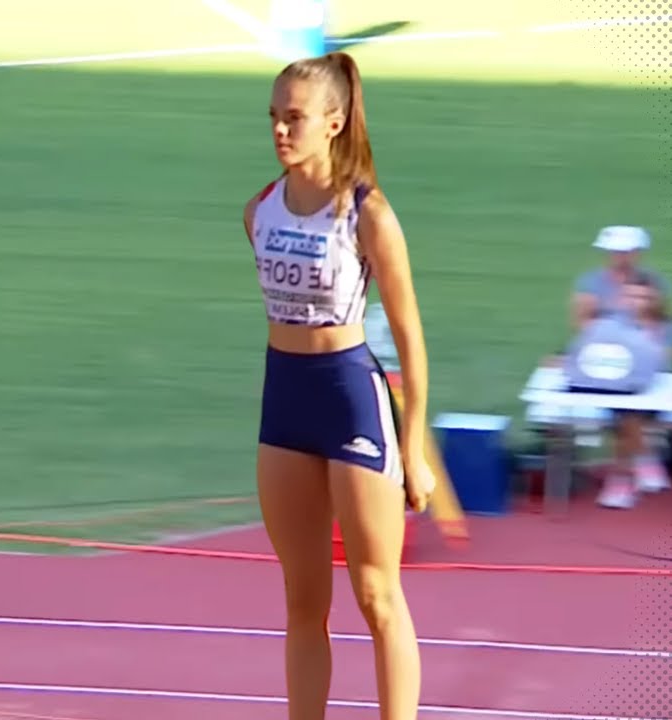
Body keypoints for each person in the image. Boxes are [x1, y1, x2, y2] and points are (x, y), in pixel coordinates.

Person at [244, 50, 435, 720]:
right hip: (284, 404)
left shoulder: (368, 213)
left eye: (293, 117)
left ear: (333, 121)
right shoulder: (259, 211)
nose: (279, 130)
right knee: (302, 602)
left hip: (350, 397)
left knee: (377, 594)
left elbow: (411, 340)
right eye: (273, 117)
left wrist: (412, 449)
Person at [590, 271, 672, 509]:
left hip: (654, 395)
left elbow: (658, 360)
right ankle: (644, 460)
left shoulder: (664, 326)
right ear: (622, 297)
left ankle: (619, 482)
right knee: (625, 412)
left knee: (627, 417)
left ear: (653, 299)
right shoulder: (609, 324)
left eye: (643, 296)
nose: (636, 301)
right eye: (631, 295)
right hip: (616, 392)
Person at [571, 225, 670, 331]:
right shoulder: (590, 282)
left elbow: (659, 321)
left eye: (626, 252)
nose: (621, 257)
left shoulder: (653, 281)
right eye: (615, 251)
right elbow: (581, 320)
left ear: (637, 253)